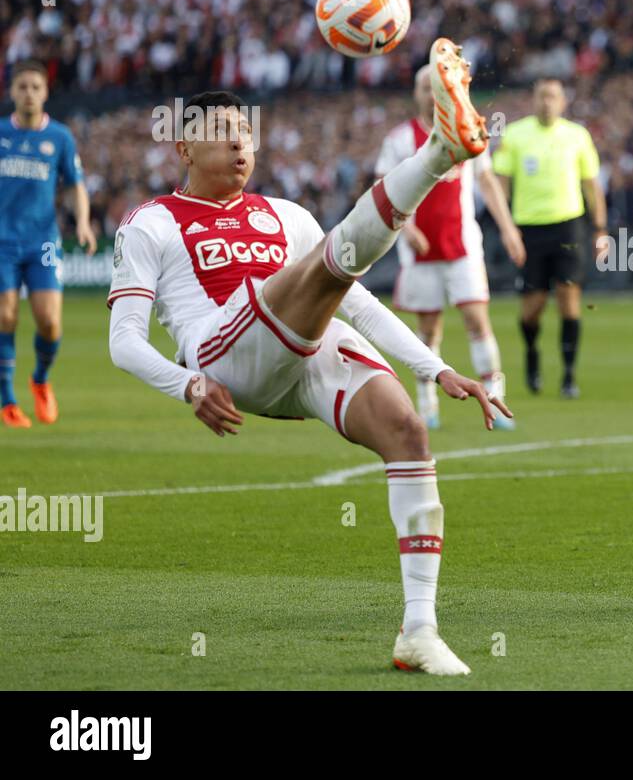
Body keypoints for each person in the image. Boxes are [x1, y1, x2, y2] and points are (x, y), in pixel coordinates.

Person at [107, 39, 509, 674]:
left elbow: (359, 303)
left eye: (245, 132)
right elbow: (123, 341)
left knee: (407, 431)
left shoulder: (285, 213)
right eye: (220, 134)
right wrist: (186, 386)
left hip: (304, 347)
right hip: (223, 355)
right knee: (320, 268)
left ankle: (420, 630)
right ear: (183, 149)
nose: (239, 144)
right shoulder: (151, 222)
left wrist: (436, 368)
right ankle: (439, 153)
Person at [375, 64, 525, 430]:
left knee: (477, 320)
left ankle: (494, 395)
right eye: (425, 87)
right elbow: (384, 186)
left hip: (463, 246)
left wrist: (508, 229)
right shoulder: (399, 139)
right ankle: (427, 404)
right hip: (420, 252)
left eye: (437, 87)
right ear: (416, 94)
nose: (431, 94)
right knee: (429, 331)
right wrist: (405, 228)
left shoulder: (468, 131)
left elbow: (487, 181)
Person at [493, 78, 606, 398]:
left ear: (563, 101)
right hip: (528, 228)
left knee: (569, 299)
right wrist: (506, 226)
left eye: (553, 96)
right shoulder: (515, 135)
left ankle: (569, 374)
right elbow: (501, 181)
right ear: (533, 99)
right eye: (542, 96)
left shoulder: (577, 135)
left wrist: (599, 227)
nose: (547, 102)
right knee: (532, 307)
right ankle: (532, 353)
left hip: (568, 225)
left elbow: (591, 185)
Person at [0, 60, 97, 428]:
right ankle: (8, 399)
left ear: (45, 92)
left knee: (50, 322)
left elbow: (74, 185)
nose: (29, 93)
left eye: (35, 87)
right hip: (2, 240)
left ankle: (40, 379)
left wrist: (84, 223)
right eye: (22, 86)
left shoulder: (59, 137)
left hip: (41, 241)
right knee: (5, 315)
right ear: (12, 92)